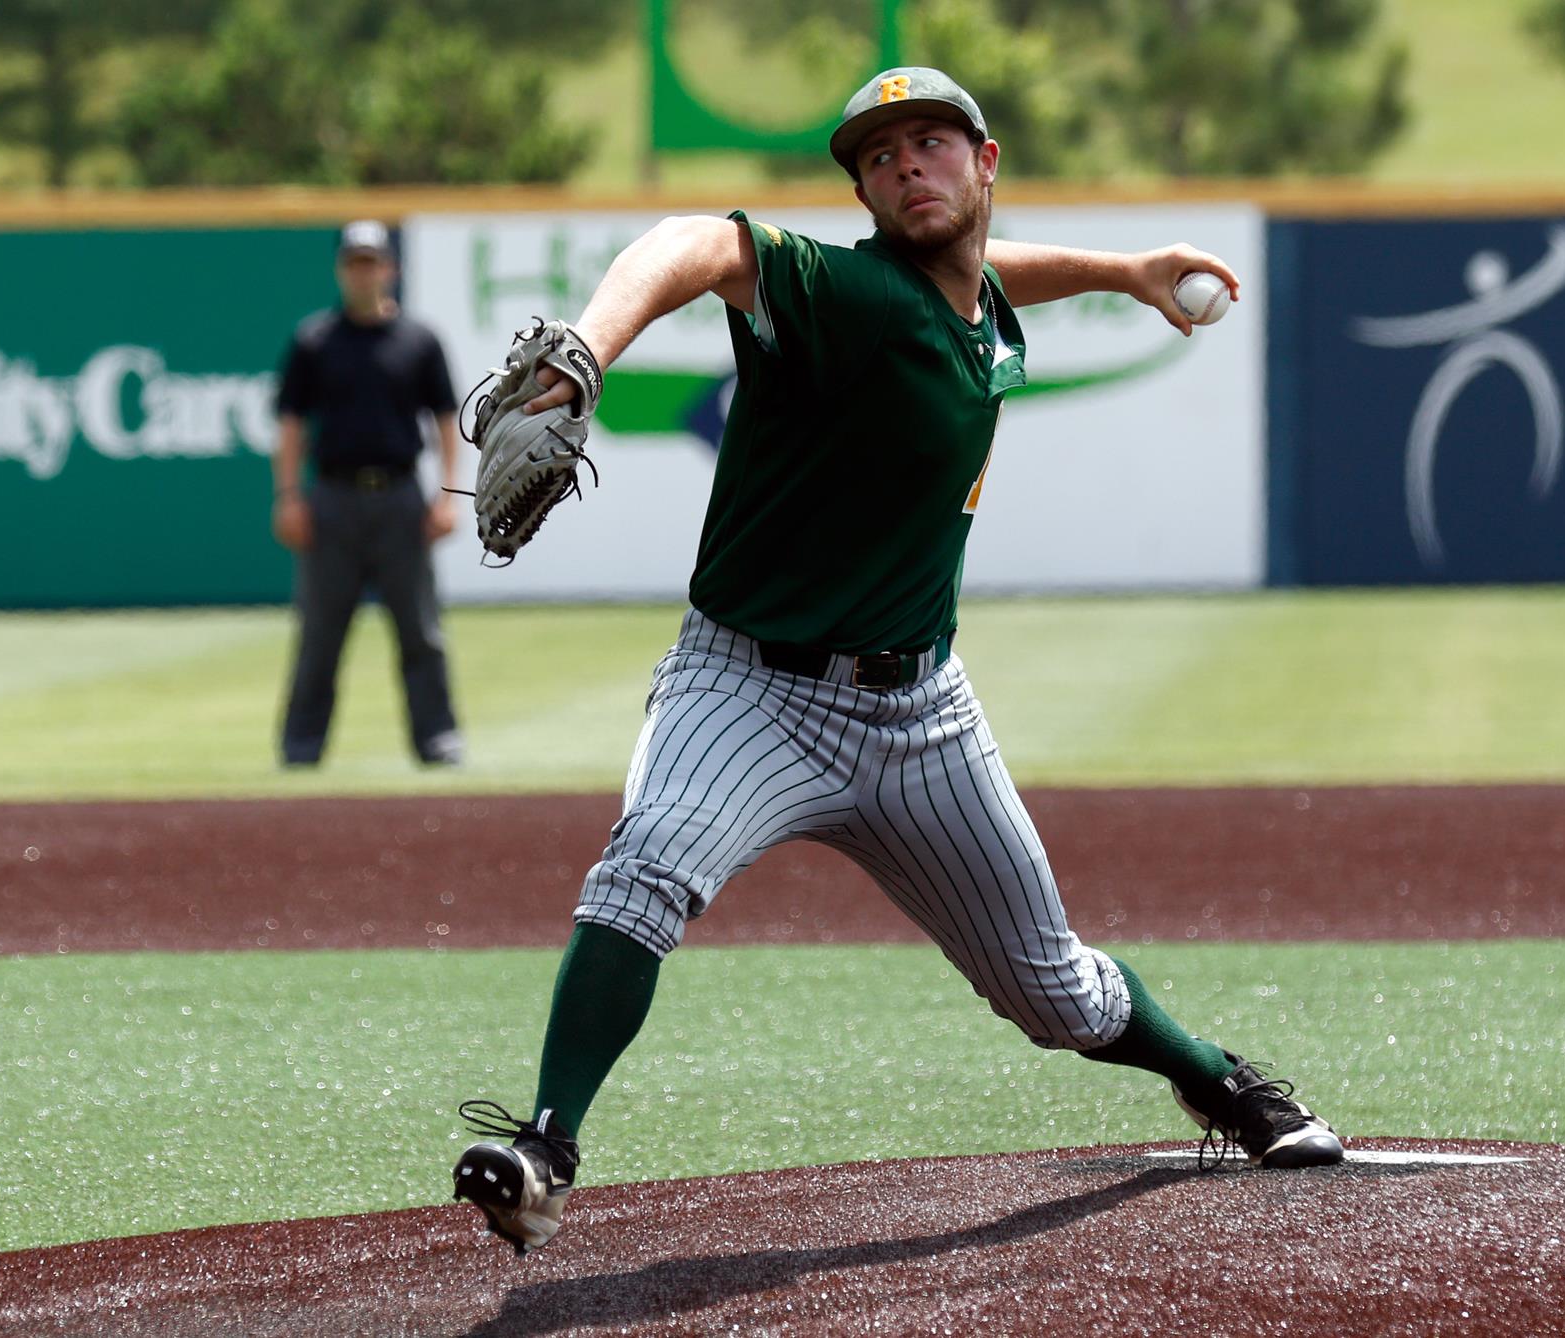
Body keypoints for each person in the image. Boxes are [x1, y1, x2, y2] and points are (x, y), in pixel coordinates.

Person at [450, 68, 1342, 1257]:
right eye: (880, 157)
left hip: (923, 716)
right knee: (648, 863)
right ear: (864, 193)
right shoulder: (844, 293)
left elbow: (988, 274)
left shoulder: (974, 306)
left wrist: (1123, 273)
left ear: (986, 163)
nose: (907, 165)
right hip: (747, 689)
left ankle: (1218, 1080)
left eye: (932, 142)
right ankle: (544, 1148)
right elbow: (691, 243)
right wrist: (582, 359)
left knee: (1057, 995)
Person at [271, 220, 466, 768]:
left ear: (391, 268)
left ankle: (438, 740)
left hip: (402, 496)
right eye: (354, 262)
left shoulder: (419, 341)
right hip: (333, 499)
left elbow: (446, 421)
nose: (364, 272)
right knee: (320, 633)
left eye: (372, 261)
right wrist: (289, 496)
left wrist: (448, 496)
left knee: (421, 632)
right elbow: (290, 426)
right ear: (342, 270)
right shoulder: (314, 341)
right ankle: (301, 748)